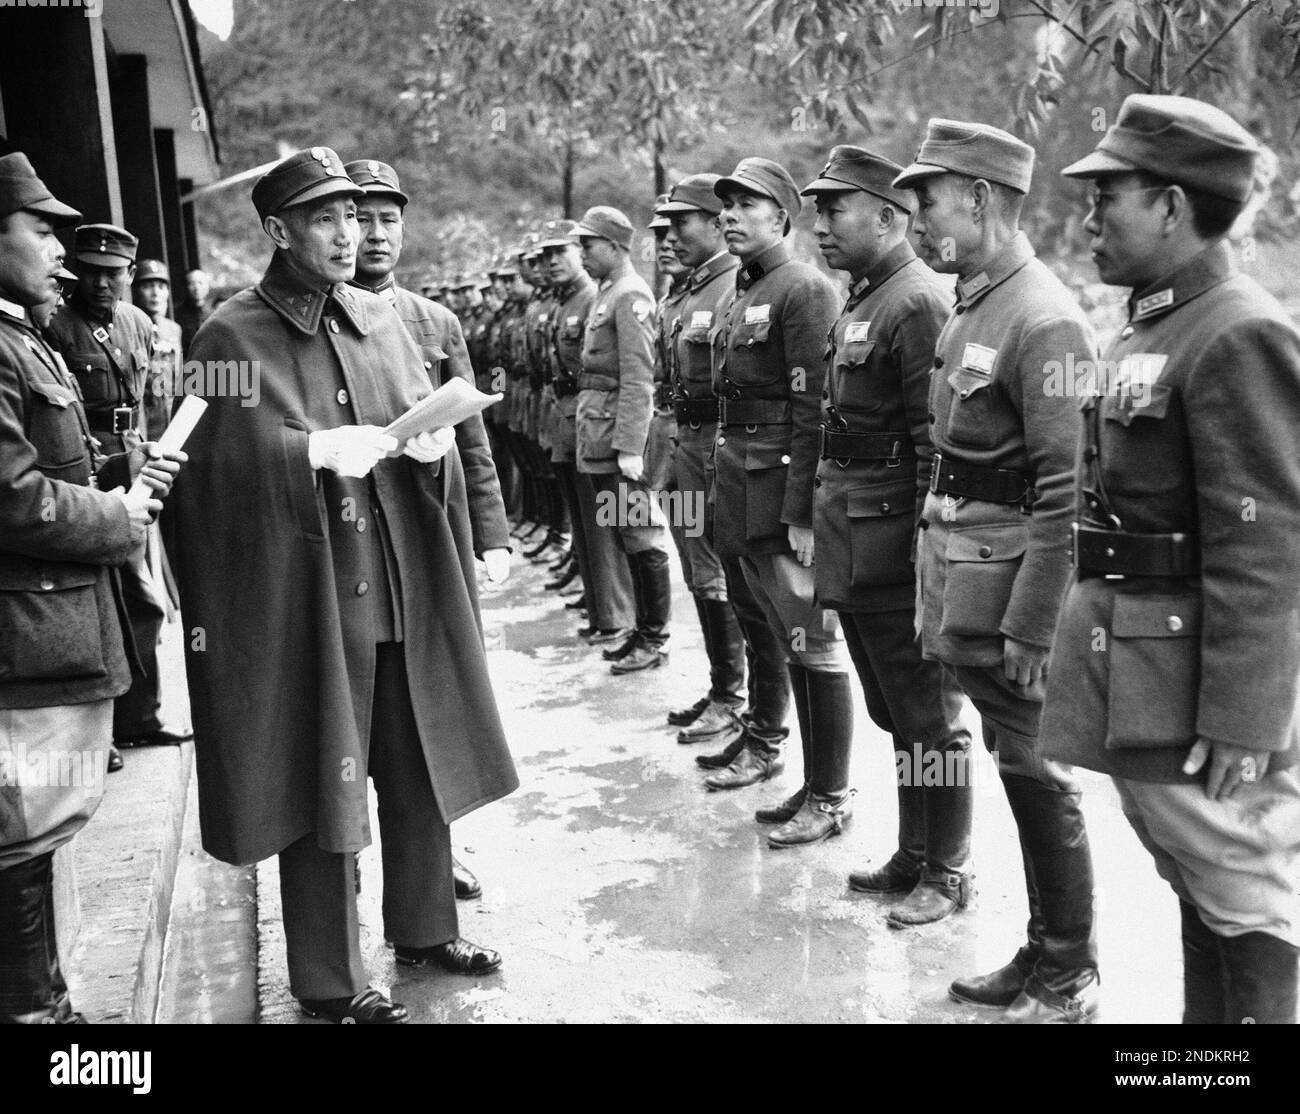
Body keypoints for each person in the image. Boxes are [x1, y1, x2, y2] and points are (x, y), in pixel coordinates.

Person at [170, 147, 518, 1025]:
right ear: (278, 231)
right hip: (311, 598)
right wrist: (306, 452)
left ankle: (426, 926)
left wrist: (429, 446)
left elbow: (412, 411)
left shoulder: (383, 318)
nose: (346, 234)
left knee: (420, 758)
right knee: (320, 775)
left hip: (399, 582)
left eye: (354, 217)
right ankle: (327, 978)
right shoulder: (232, 335)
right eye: (324, 219)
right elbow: (200, 470)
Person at [1044, 94, 1300, 1024]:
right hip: (1145, 662)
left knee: (1245, 896)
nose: (1089, 218)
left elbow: (1264, 541)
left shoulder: (1238, 330)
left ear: (1172, 206)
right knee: (1196, 883)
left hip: (1197, 683)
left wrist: (1245, 716)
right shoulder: (1155, 324)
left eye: (1106, 195)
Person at [895, 119, 1099, 1021]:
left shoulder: (1045, 318)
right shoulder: (978, 300)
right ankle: (1042, 947)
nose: (918, 223)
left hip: (1009, 595)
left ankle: (1070, 971)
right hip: (963, 578)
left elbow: (1068, 495)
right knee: (1016, 771)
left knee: (1040, 778)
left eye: (927, 203)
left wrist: (1031, 626)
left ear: (979, 199)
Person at [0, 152, 182, 1023]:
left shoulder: (21, 333)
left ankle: (47, 997)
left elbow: (51, 459)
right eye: (41, 230)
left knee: (40, 827)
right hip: (27, 620)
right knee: (19, 829)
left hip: (51, 613)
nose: (61, 255)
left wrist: (123, 468)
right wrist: (116, 516)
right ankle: (37, 1013)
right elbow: (13, 496)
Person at [801, 146, 975, 922]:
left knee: (930, 717)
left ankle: (948, 867)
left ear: (888, 215)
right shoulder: (866, 296)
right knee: (895, 710)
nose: (822, 224)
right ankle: (914, 851)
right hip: (858, 536)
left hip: (897, 545)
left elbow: (934, 445)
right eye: (819, 209)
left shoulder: (916, 301)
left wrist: (921, 557)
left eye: (835, 210)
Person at [345, 157, 512, 903]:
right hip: (353, 545)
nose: (375, 236)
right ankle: (345, 845)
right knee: (354, 706)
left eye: (388, 220)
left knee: (440, 700)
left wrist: (492, 534)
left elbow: (474, 438)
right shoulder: (314, 318)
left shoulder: (434, 322)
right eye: (360, 219)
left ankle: (440, 852)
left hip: (430, 533)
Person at [704, 158, 854, 852]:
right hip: (741, 489)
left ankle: (832, 796)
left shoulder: (804, 290)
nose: (731, 216)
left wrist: (801, 513)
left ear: (783, 217)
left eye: (748, 205)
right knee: (782, 636)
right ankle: (810, 781)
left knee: (814, 644)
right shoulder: (746, 288)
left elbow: (813, 410)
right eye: (726, 205)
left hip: (779, 498)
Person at [44, 225, 190, 757]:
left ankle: (140, 717)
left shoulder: (137, 322)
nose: (102, 284)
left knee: (139, 597)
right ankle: (100, 733)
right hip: (81, 466)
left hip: (131, 458)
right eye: (91, 273)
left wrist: (155, 450)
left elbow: (153, 395)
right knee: (96, 600)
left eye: (113, 274)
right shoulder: (56, 322)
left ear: (129, 275)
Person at [659, 174, 782, 760]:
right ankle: (725, 690)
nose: (670, 237)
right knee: (700, 572)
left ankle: (737, 701)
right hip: (690, 450)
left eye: (681, 223)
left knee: (729, 580)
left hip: (721, 452)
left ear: (712, 226)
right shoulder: (688, 293)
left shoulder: (734, 285)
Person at [574, 204, 672, 672]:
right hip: (600, 436)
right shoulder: (606, 293)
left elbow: (639, 378)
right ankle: (640, 629)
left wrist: (632, 446)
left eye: (588, 246)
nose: (583, 254)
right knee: (623, 534)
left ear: (614, 247)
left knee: (641, 536)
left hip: (618, 442)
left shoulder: (631, 296)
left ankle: (654, 637)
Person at [131, 259, 182, 441]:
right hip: (144, 421)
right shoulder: (131, 328)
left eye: (161, 287)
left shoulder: (173, 329)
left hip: (171, 418)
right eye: (148, 286)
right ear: (135, 291)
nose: (155, 294)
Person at [176, 267, 213, 351]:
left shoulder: (214, 314)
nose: (196, 288)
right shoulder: (177, 315)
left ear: (207, 287)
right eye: (192, 283)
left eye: (200, 283)